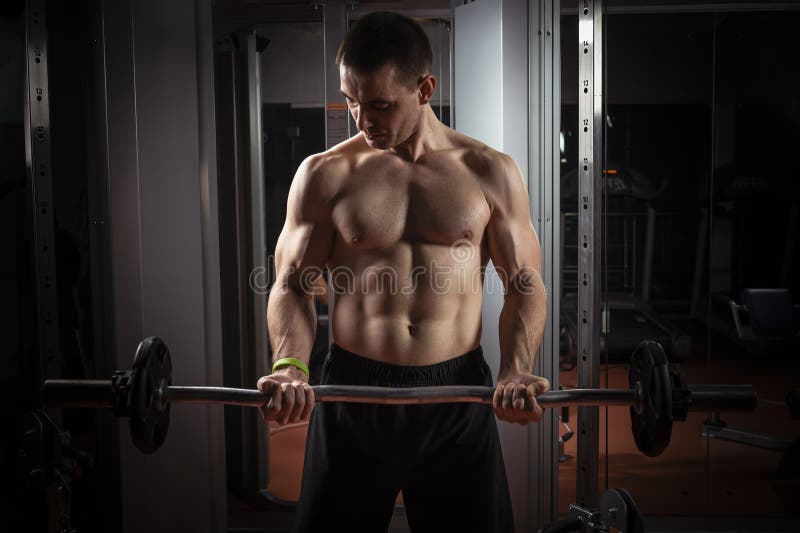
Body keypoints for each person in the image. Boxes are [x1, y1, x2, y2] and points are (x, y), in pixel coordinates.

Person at [258, 11, 549, 532]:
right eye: (350, 100)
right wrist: (290, 366)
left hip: (455, 393)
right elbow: (291, 286)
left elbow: (524, 283)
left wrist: (516, 367)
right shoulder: (325, 175)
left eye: (379, 104)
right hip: (353, 394)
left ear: (424, 88)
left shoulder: (488, 171)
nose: (362, 118)